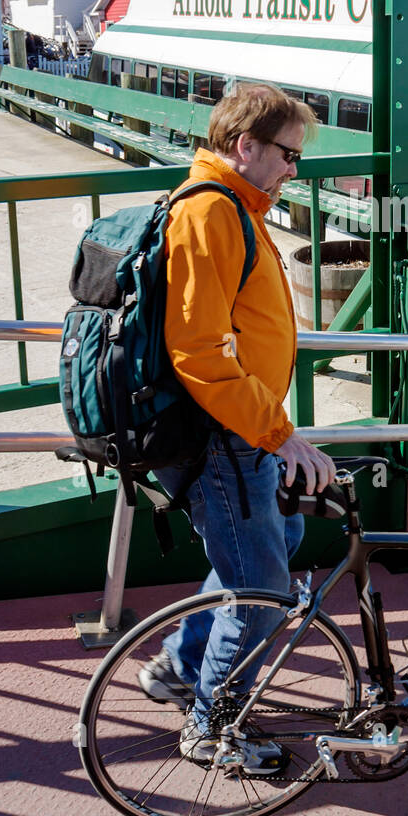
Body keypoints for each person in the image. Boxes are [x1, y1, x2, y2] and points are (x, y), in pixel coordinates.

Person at [139, 83, 337, 771]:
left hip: (237, 431)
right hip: (221, 438)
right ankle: (212, 729)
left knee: (271, 545)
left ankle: (177, 668)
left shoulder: (237, 207)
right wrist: (282, 436)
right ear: (244, 146)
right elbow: (199, 352)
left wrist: (272, 431)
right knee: (263, 595)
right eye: (287, 155)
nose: (293, 171)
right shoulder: (215, 215)